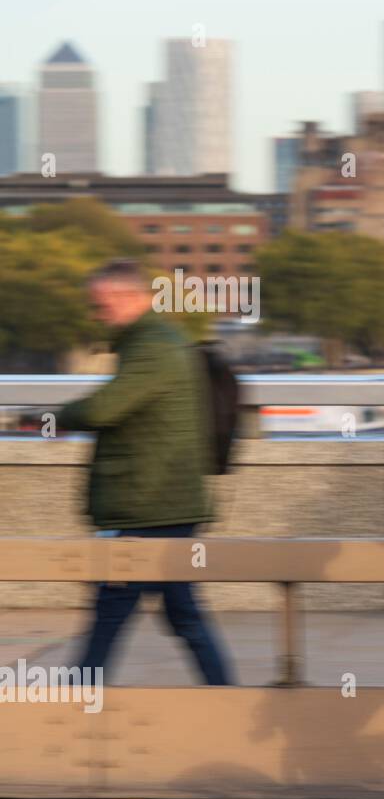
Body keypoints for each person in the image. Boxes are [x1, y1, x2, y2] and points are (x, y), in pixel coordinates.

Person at [55, 258, 233, 685]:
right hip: (164, 505)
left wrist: (55, 417)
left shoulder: (151, 345)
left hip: (149, 508)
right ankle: (226, 698)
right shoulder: (153, 340)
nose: (98, 314)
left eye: (101, 304)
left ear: (126, 297)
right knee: (181, 614)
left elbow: (104, 407)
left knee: (113, 610)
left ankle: (78, 706)